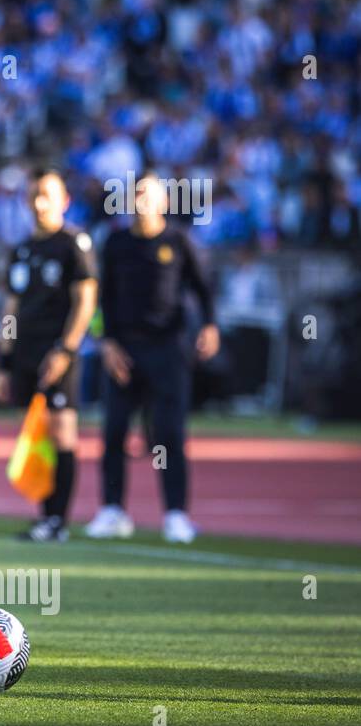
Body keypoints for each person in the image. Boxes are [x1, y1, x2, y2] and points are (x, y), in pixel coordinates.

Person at [86, 173, 219, 545]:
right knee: (113, 431)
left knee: (169, 434)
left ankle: (176, 514)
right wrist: (107, 343)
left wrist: (210, 327)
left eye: (148, 193)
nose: (140, 199)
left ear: (164, 202)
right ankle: (113, 509)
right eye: (136, 193)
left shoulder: (178, 241)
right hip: (122, 352)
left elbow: (203, 287)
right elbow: (102, 298)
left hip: (167, 350)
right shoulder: (115, 243)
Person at [0, 169, 98, 542]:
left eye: (47, 195)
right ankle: (46, 517)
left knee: (62, 431)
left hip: (58, 353)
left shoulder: (73, 243)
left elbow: (85, 301)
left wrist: (67, 349)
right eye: (34, 195)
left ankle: (57, 520)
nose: (40, 203)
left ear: (64, 200)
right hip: (26, 352)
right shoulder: (23, 249)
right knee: (39, 432)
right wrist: (3, 361)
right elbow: (11, 307)